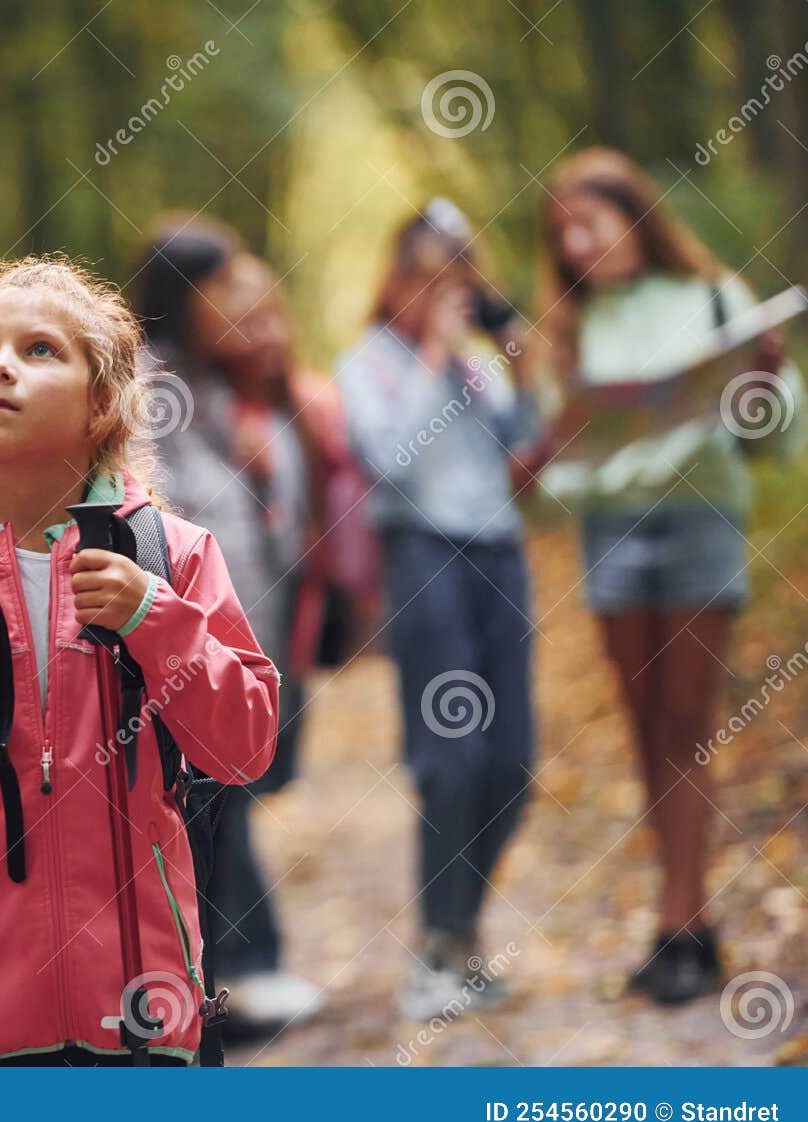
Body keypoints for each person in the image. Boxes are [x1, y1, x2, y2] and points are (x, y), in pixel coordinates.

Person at [0, 256, 281, 1065]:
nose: (0, 366)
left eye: (39, 350)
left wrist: (155, 618)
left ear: (101, 400)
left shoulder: (172, 555)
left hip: (144, 1011)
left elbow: (245, 744)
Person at [535, 147, 804, 1004]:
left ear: (635, 215)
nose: (578, 245)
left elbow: (777, 438)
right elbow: (552, 471)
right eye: (563, 233)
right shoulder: (569, 329)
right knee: (647, 728)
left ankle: (683, 920)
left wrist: (763, 378)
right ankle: (679, 913)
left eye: (591, 222)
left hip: (700, 520)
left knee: (687, 722)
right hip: (612, 530)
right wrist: (562, 451)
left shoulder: (715, 297)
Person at [336, 200, 543, 1021]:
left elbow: (522, 444)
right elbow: (391, 459)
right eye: (429, 278)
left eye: (459, 277)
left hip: (500, 552)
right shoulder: (370, 362)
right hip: (423, 556)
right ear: (397, 280)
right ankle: (437, 948)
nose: (446, 295)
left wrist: (521, 367)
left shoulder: (473, 368)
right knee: (451, 755)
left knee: (513, 763)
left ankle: (460, 931)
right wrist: (433, 353)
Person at [131, 221, 334, 1036]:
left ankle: (233, 978)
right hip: (187, 637)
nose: (243, 306)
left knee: (231, 801)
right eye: (225, 290)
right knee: (204, 804)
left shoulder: (228, 385)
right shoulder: (146, 386)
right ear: (183, 296)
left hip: (256, 624)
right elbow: (150, 506)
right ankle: (224, 986)